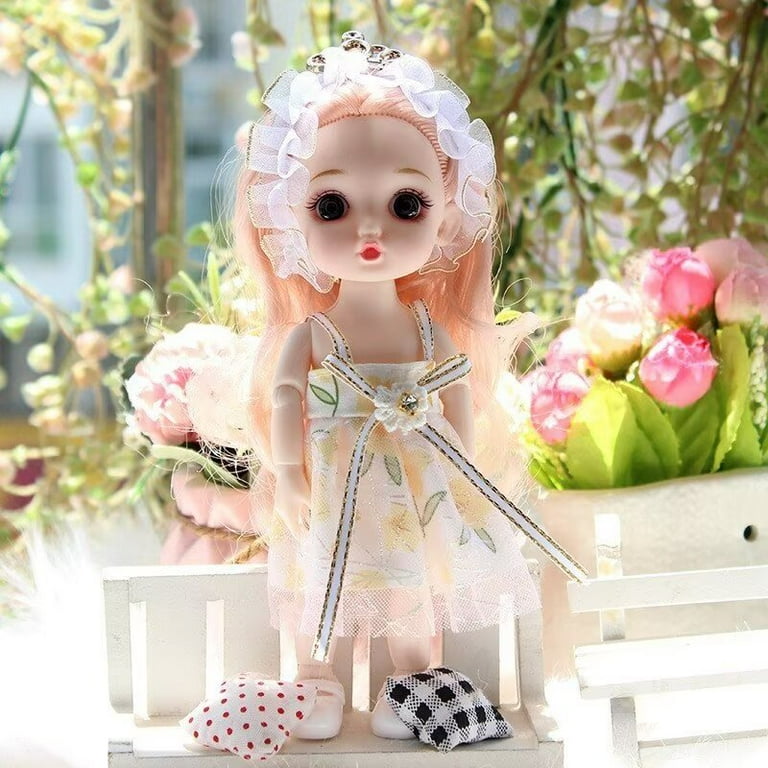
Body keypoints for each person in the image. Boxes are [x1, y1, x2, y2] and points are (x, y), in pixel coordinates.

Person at [236, 31, 584, 740]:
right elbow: (286, 398)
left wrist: (459, 461)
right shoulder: (315, 335)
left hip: (413, 485)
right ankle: (315, 679)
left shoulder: (429, 332)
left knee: (410, 581)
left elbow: (456, 395)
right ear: (290, 217)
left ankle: (415, 681)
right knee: (321, 573)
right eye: (331, 206)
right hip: (331, 481)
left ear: (447, 213)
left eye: (406, 204)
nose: (369, 225)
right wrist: (291, 473)